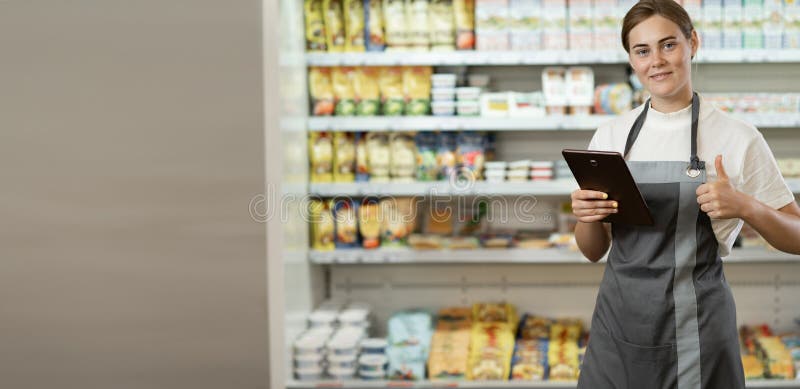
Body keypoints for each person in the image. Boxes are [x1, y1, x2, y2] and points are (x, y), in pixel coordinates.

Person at [571, 0, 800, 387]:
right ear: (631, 59)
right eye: (642, 51)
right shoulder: (610, 137)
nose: (656, 61)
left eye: (668, 45)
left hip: (698, 331)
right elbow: (593, 250)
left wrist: (746, 206)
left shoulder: (737, 137)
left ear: (693, 43)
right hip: (618, 328)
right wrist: (586, 217)